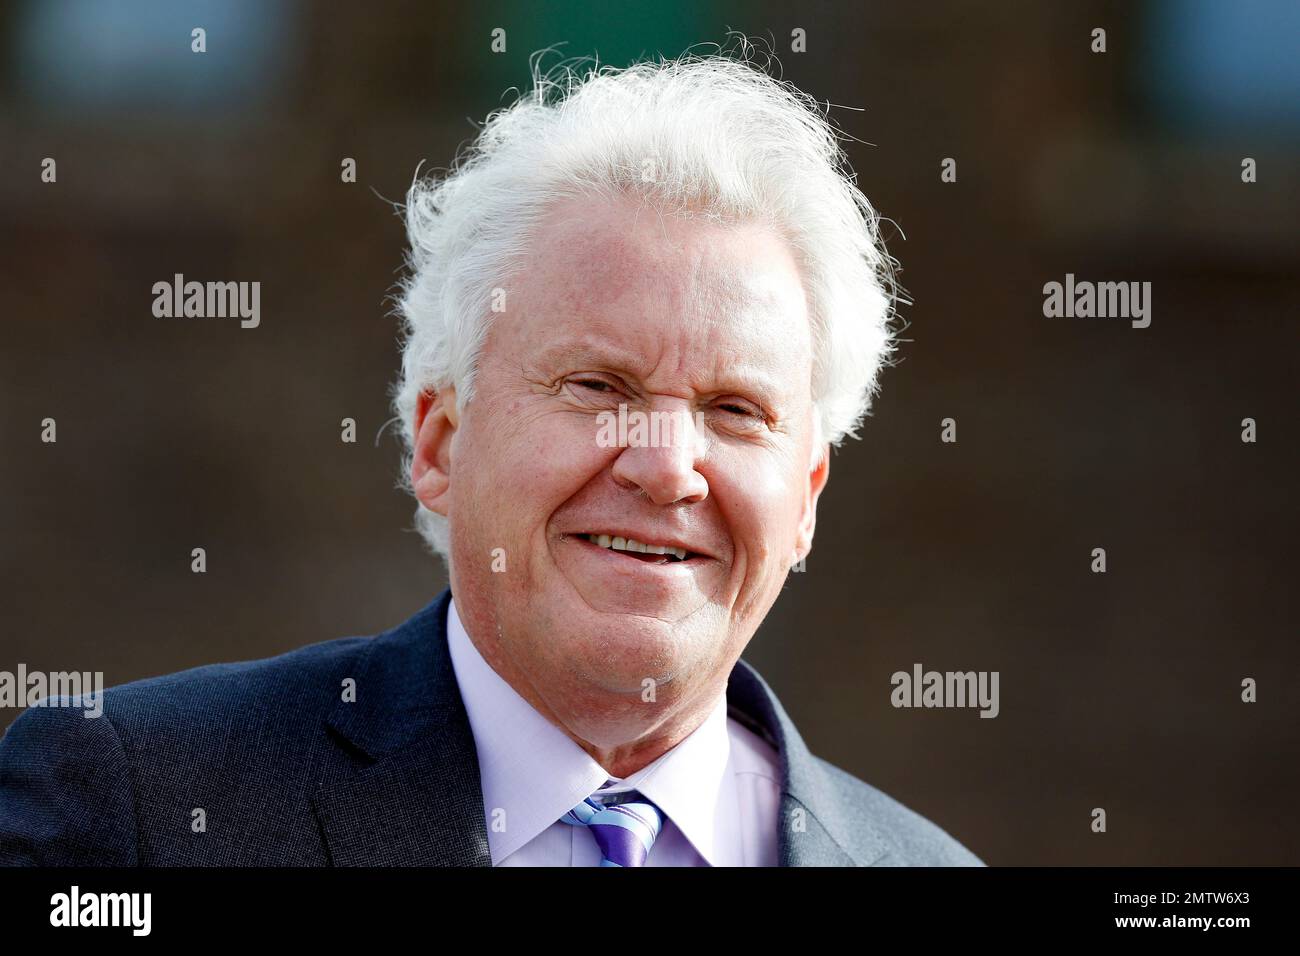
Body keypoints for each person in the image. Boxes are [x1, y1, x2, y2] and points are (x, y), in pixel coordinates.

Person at [0, 50, 982, 867]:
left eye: (735, 409)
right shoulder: (134, 809)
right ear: (440, 441)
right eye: (597, 387)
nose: (666, 466)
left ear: (805, 497)